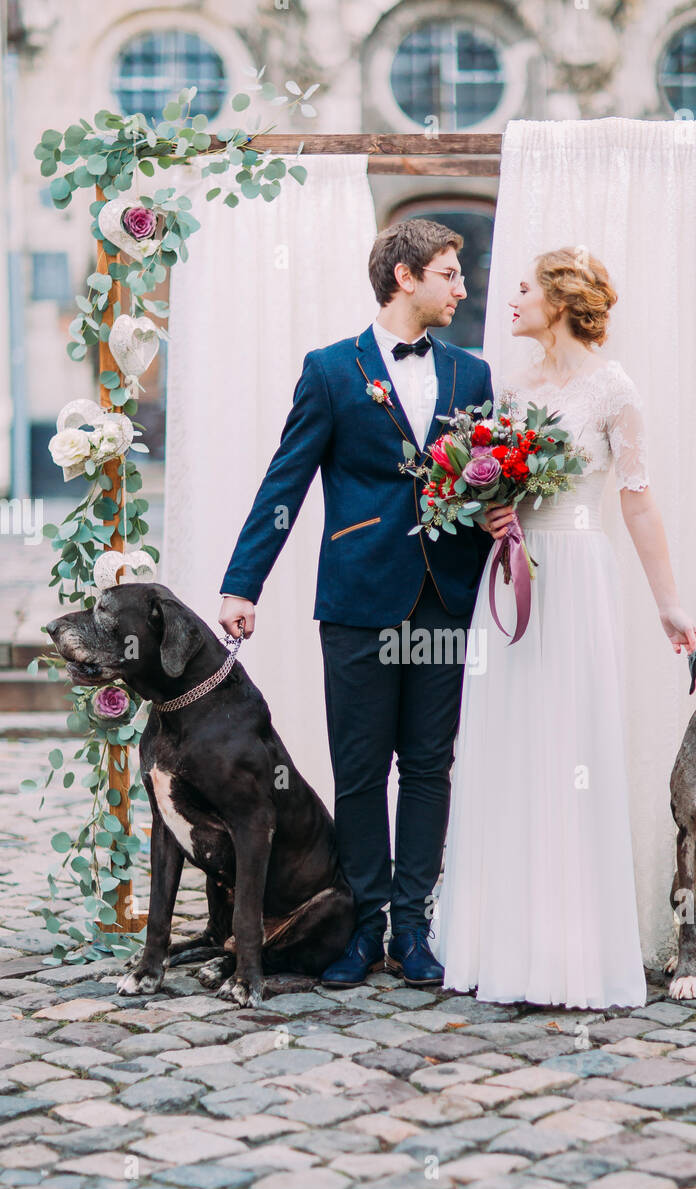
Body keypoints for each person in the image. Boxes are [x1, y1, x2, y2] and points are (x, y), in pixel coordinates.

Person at [218, 219, 497, 988]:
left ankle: (414, 927)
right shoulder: (331, 371)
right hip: (358, 600)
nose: (461, 287)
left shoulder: (473, 375)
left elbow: (487, 477)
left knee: (431, 766)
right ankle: (361, 926)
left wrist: (502, 510)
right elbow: (286, 482)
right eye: (449, 272)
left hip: (445, 597)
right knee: (361, 768)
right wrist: (244, 582)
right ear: (405, 277)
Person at [434, 246, 696, 1008]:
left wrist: (668, 601)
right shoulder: (510, 387)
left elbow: (637, 499)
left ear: (559, 300)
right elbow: (493, 483)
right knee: (505, 746)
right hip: (512, 574)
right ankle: (500, 942)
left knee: (570, 747)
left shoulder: (614, 391)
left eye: (521, 290)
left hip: (579, 579)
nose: (506, 300)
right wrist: (492, 509)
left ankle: (570, 947)